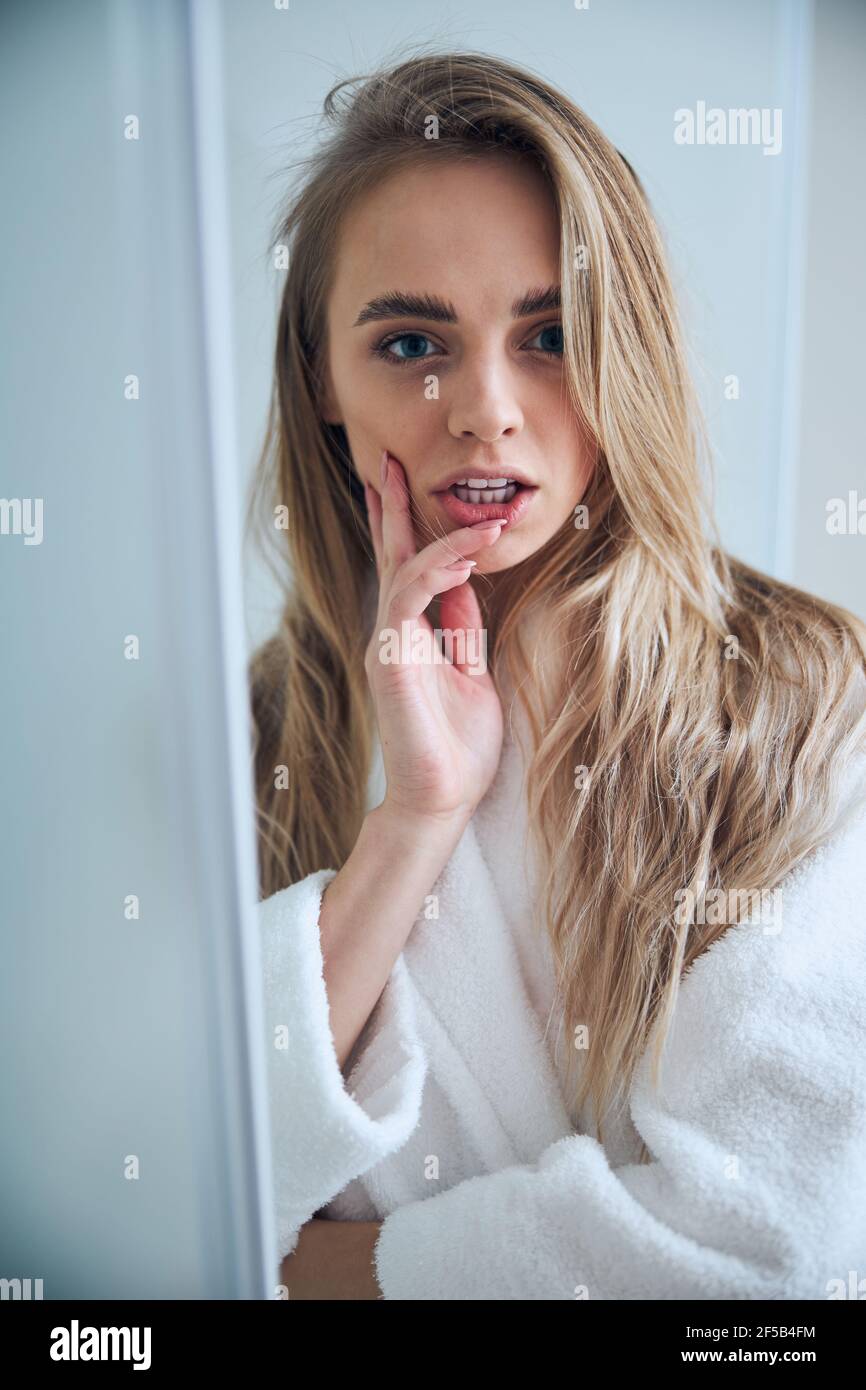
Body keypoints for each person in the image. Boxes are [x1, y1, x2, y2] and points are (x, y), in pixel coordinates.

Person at [247, 49, 866, 1300]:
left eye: (551, 334)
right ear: (321, 374)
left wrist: (334, 1279)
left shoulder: (798, 702)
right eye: (412, 339)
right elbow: (180, 1178)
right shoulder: (256, 729)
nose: (483, 406)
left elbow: (761, 1253)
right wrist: (411, 820)